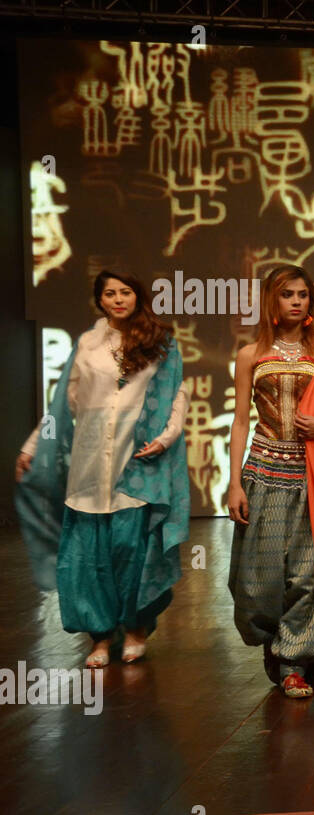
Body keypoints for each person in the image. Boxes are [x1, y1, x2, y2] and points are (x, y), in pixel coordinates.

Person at [15, 269, 190, 668]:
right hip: (91, 458)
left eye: (125, 291)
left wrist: (166, 436)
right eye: (109, 293)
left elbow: (176, 393)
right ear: (100, 300)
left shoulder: (160, 341)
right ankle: (99, 635)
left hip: (138, 456)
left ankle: (134, 628)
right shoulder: (88, 344)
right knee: (87, 553)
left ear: (137, 295)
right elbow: (64, 402)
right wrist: (32, 446)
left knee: (130, 548)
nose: (117, 299)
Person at [228, 265, 314, 698]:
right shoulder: (251, 355)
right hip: (263, 470)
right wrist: (233, 483)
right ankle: (273, 641)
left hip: (313, 475)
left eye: (303, 294)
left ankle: (294, 663)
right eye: (287, 294)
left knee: (307, 572)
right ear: (271, 300)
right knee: (257, 578)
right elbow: (239, 422)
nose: (297, 301)